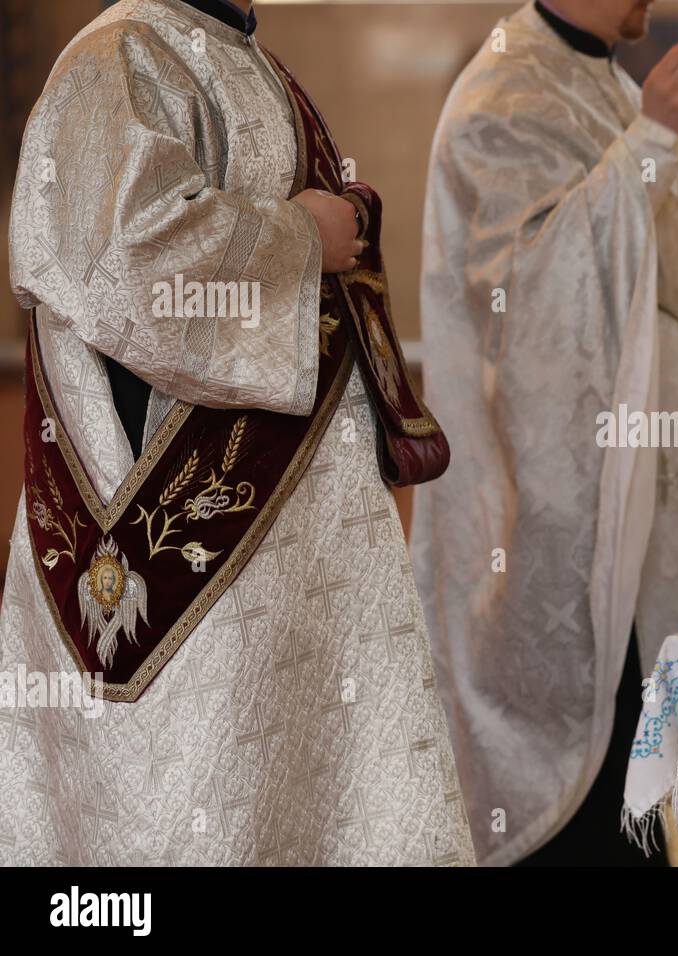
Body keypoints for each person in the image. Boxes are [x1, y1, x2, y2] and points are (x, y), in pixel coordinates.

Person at [1, 0, 475, 866]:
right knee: (191, 804)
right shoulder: (118, 53)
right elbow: (125, 263)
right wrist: (304, 236)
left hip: (288, 555)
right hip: (188, 561)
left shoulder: (235, 53)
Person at [412, 0, 678, 865]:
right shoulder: (497, 98)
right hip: (556, 549)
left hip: (643, 539)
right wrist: (652, 143)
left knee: (644, 811)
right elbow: (528, 308)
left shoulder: (611, 88)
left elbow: (643, 283)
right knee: (581, 821)